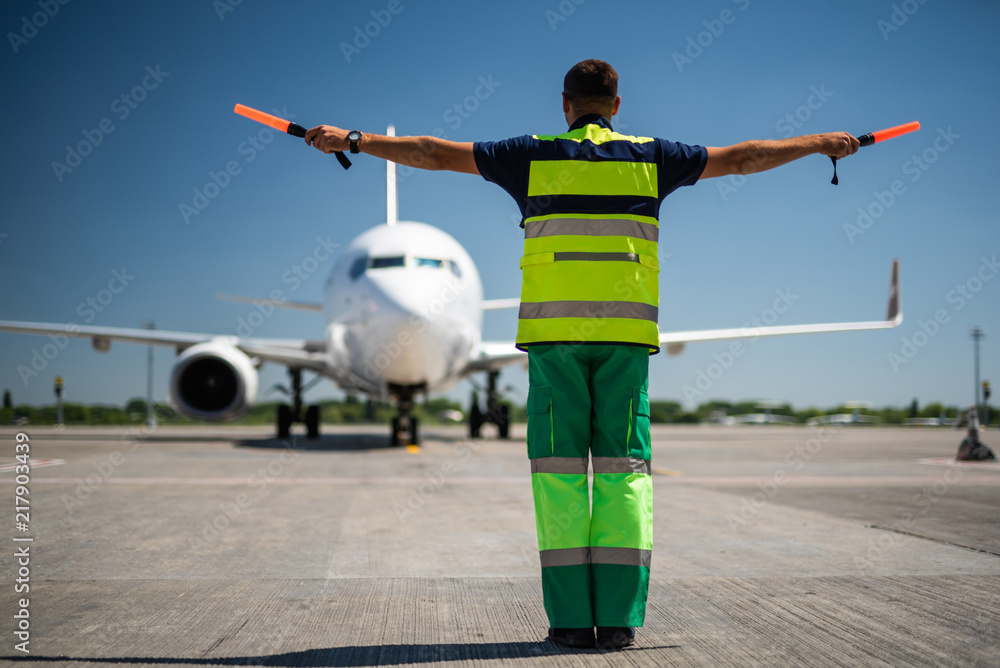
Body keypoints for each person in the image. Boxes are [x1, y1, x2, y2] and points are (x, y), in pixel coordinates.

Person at [305, 59, 859, 650]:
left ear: (564, 104)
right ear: (617, 106)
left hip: (554, 343)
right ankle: (618, 622)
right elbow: (745, 156)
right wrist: (817, 143)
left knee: (560, 477)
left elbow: (435, 152)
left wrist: (356, 141)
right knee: (624, 477)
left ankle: (570, 623)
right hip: (625, 342)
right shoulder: (653, 157)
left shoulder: (531, 155)